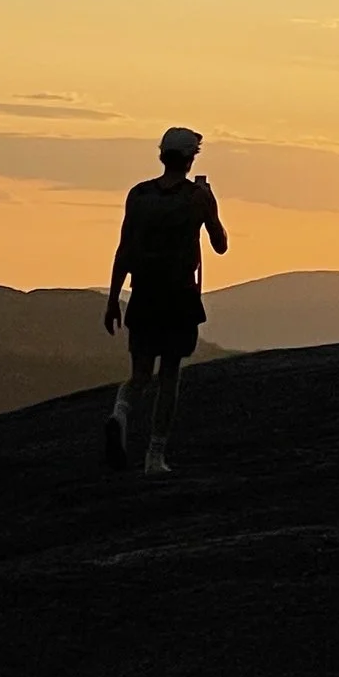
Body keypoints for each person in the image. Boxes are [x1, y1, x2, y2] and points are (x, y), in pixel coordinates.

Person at [103, 125, 227, 476]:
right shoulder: (196, 198)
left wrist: (114, 299)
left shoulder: (139, 195)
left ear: (162, 155)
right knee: (169, 374)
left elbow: (124, 249)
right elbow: (219, 244)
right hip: (179, 296)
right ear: (190, 160)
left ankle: (120, 413)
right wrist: (211, 207)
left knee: (140, 374)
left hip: (143, 293)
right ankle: (155, 455)